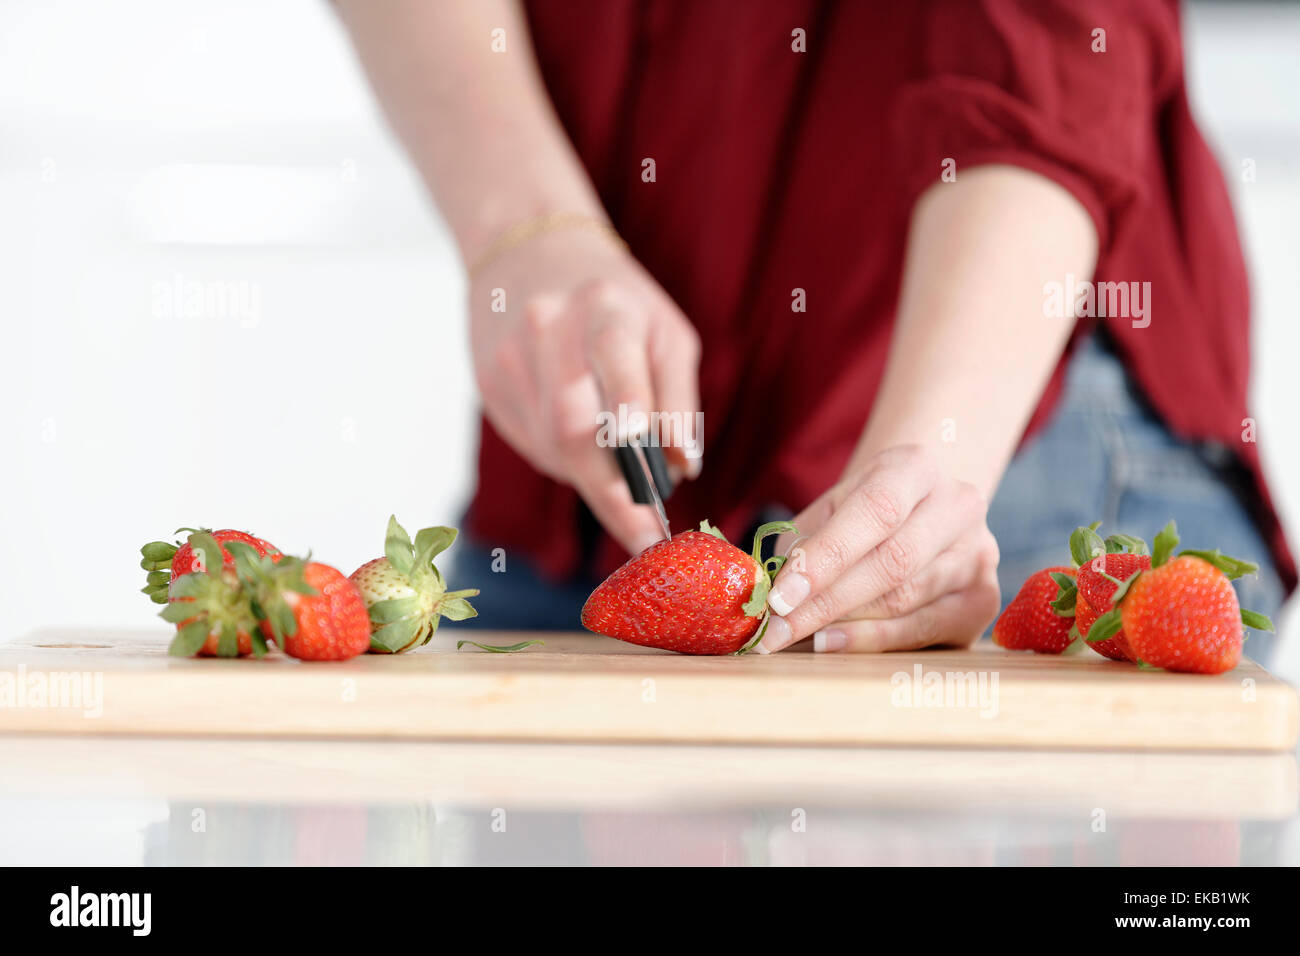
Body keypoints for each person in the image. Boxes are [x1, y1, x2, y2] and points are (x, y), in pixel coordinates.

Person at [335, 0, 1292, 659]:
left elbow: (1048, 58)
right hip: (587, 491)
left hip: (1006, 428)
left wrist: (931, 466)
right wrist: (529, 232)